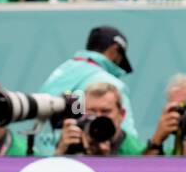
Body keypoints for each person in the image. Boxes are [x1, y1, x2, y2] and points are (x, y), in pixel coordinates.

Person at [34, 25, 139, 157]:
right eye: (91, 112)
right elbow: (128, 142)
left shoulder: (59, 74)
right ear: (115, 50)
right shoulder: (111, 84)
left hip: (42, 162)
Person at [54, 81, 146, 156]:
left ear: (121, 115)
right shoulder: (74, 139)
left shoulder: (137, 153)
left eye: (105, 111)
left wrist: (104, 159)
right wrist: (61, 151)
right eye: (91, 111)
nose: (98, 117)